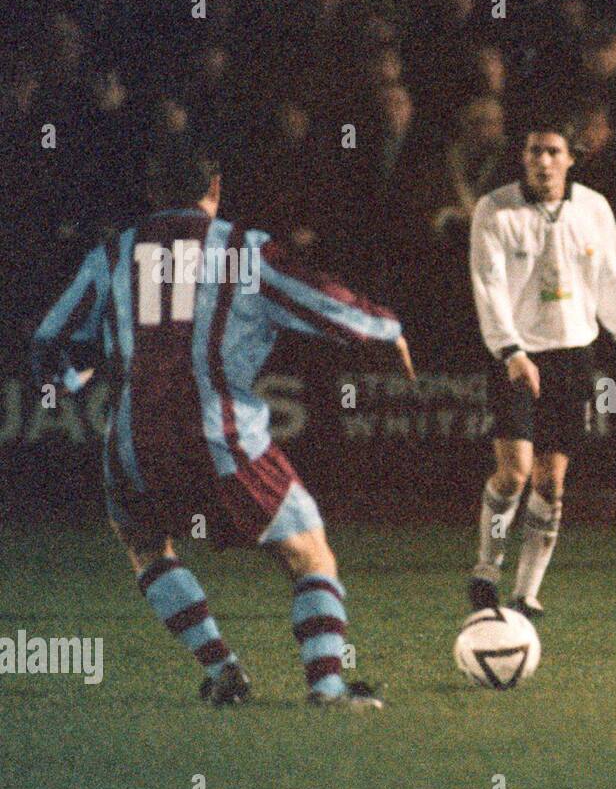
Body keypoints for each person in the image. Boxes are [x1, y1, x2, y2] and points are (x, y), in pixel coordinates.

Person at [31, 149, 416, 708]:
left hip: (133, 442)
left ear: (151, 190)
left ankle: (223, 669)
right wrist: (386, 329)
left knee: (147, 547)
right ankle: (328, 685)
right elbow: (321, 301)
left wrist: (68, 385)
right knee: (309, 555)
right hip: (221, 436)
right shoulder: (241, 250)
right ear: (215, 185)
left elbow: (48, 339)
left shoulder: (111, 254)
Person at [467, 114, 616, 621]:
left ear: (571, 158)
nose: (543, 162)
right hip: (517, 356)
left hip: (573, 356)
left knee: (550, 483)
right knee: (513, 473)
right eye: (533, 152)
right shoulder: (496, 210)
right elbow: (488, 286)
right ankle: (487, 568)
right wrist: (509, 351)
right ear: (522, 158)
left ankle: (525, 594)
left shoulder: (593, 209)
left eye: (552, 152)